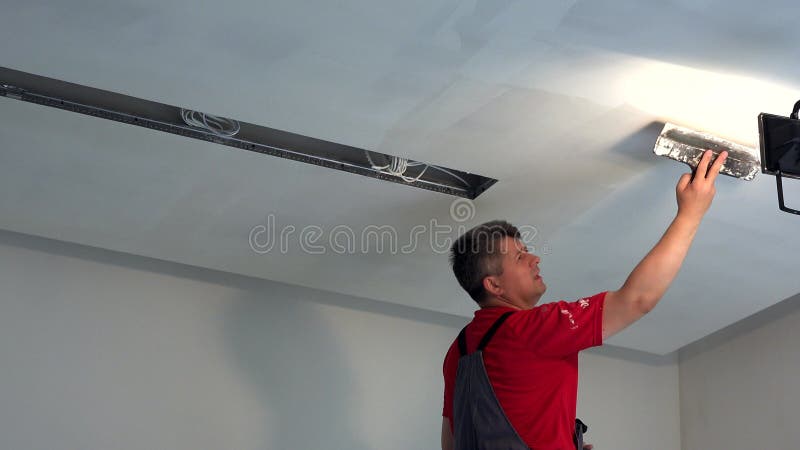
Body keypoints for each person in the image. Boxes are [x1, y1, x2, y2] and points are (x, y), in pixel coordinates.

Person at [441, 150, 728, 449]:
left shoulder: (459, 351)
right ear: (494, 285)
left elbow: (450, 441)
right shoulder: (528, 329)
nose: (535, 258)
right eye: (520, 256)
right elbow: (638, 299)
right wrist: (690, 213)